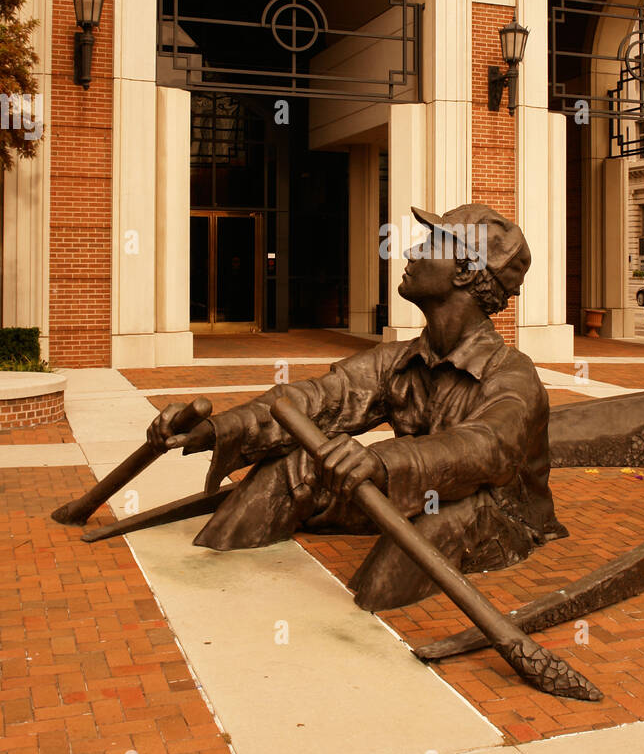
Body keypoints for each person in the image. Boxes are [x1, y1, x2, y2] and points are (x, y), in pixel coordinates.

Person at [147, 205, 566, 611]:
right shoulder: (396, 360)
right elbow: (318, 399)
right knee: (289, 468)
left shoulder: (512, 374)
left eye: (430, 243)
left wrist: (382, 462)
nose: (411, 252)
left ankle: (349, 626)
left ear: (465, 270)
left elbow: (485, 448)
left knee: (428, 531)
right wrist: (216, 429)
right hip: (414, 489)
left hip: (497, 512)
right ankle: (206, 591)